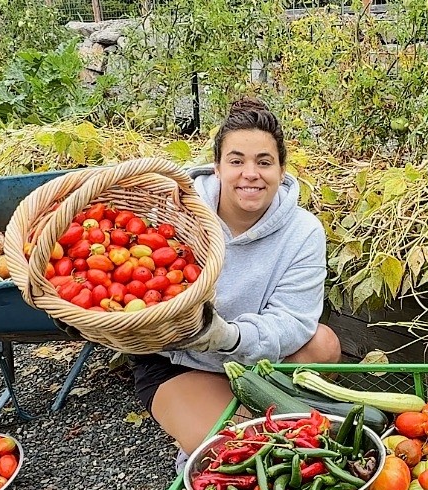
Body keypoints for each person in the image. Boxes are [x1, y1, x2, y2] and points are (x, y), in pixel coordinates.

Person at [132, 98, 342, 456]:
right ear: (216, 167)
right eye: (236, 161)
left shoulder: (303, 231)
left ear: (281, 169)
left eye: (264, 162)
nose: (250, 173)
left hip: (254, 357)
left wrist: (228, 336)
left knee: (323, 345)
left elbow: (292, 321)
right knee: (236, 450)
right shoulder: (177, 212)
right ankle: (233, 420)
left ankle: (249, 414)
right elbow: (135, 288)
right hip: (179, 360)